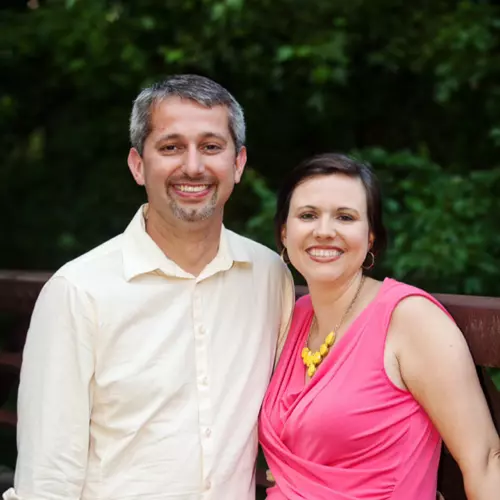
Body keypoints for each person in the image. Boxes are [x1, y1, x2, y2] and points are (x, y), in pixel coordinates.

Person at [4, 74, 294, 500]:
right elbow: (47, 479)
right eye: (171, 147)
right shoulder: (78, 290)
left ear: (238, 163)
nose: (193, 166)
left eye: (211, 147)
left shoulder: (269, 276)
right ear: (138, 165)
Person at [259, 153, 500, 499]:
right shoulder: (295, 315)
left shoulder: (409, 319)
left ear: (370, 236)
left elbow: (485, 461)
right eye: (308, 215)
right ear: (284, 232)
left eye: (345, 216)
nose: (324, 231)